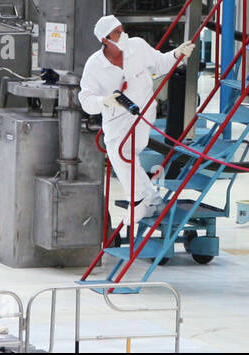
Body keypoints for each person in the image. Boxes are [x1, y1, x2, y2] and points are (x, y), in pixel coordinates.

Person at [79, 14, 194, 224]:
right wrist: (105, 101)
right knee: (119, 154)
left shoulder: (137, 47)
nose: (122, 34)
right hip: (116, 116)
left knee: (124, 153)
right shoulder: (94, 65)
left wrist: (178, 54)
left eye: (122, 29)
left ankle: (138, 201)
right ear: (105, 40)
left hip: (143, 111)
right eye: (117, 32)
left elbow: (159, 63)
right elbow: (85, 99)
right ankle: (152, 199)